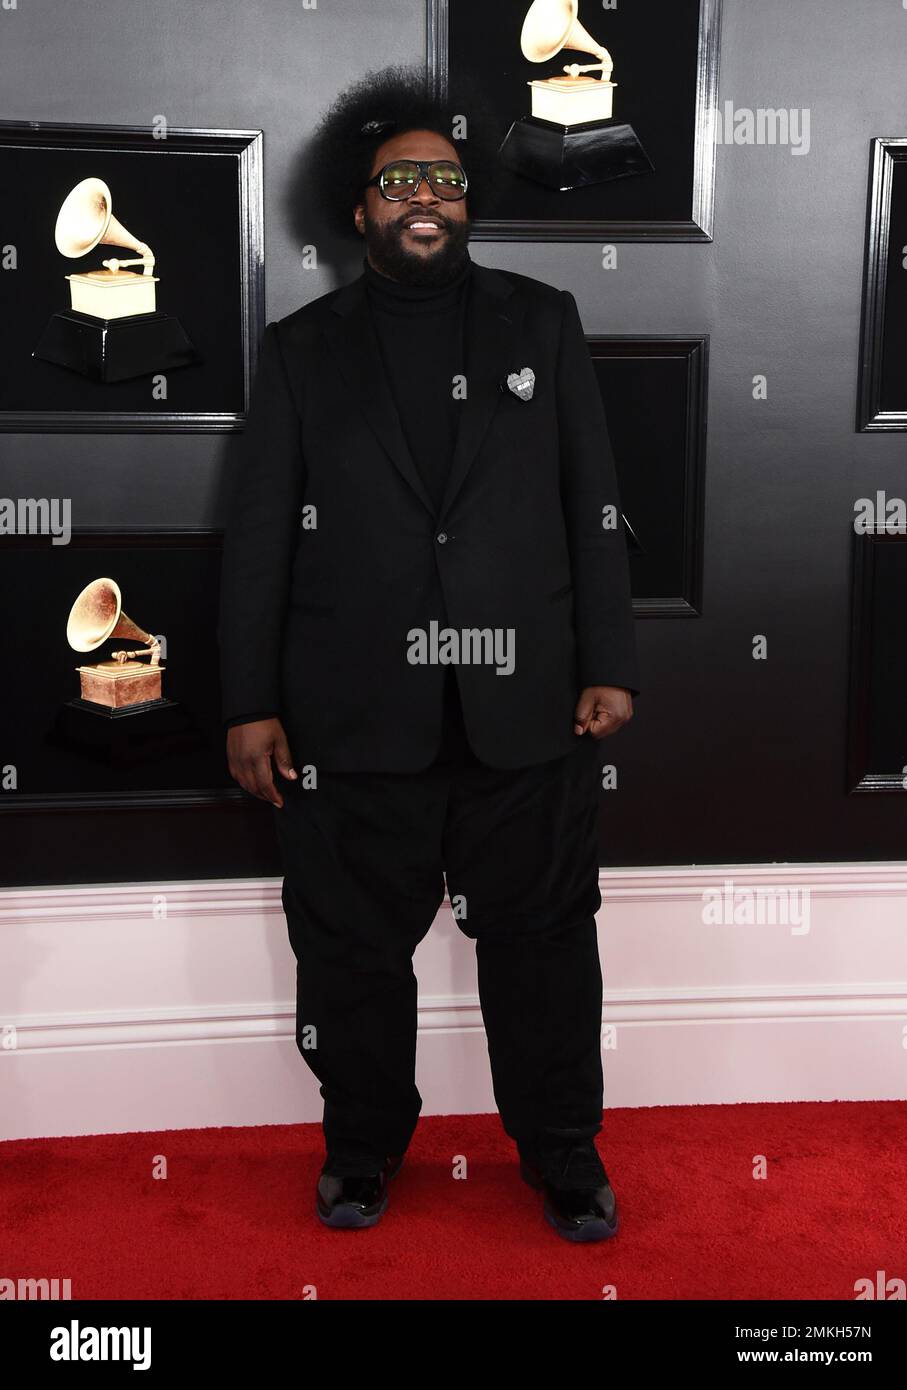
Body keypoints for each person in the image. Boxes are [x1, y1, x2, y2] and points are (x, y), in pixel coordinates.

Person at [218, 66, 640, 1242]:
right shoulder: (301, 352)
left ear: (466, 203)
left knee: (547, 950)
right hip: (353, 720)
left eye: (445, 180)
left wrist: (609, 656)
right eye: (399, 180)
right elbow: (260, 537)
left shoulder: (540, 320)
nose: (425, 197)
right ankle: (360, 1150)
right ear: (359, 210)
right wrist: (249, 702)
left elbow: (589, 501)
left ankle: (562, 1151)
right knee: (350, 955)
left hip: (528, 713)